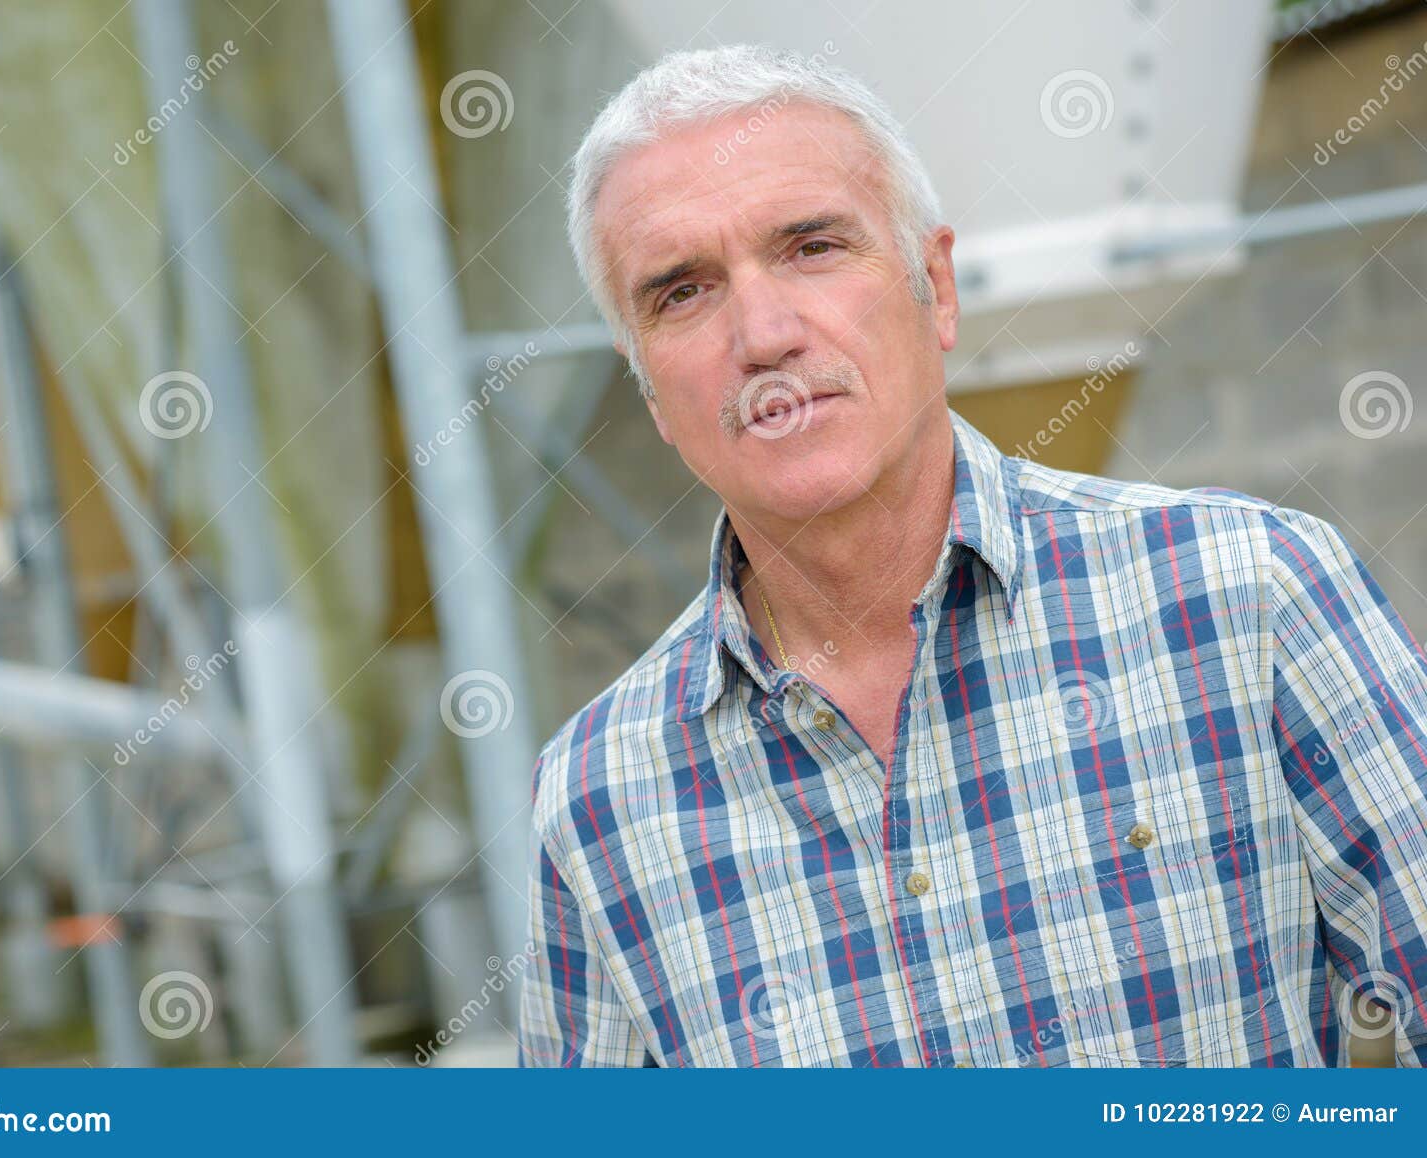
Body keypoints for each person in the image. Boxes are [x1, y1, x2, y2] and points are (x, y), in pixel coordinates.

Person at [517, 43, 1427, 1067]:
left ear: (936, 289)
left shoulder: (1244, 594)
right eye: (682, 292)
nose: (762, 332)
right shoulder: (599, 799)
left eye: (812, 246)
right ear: (651, 396)